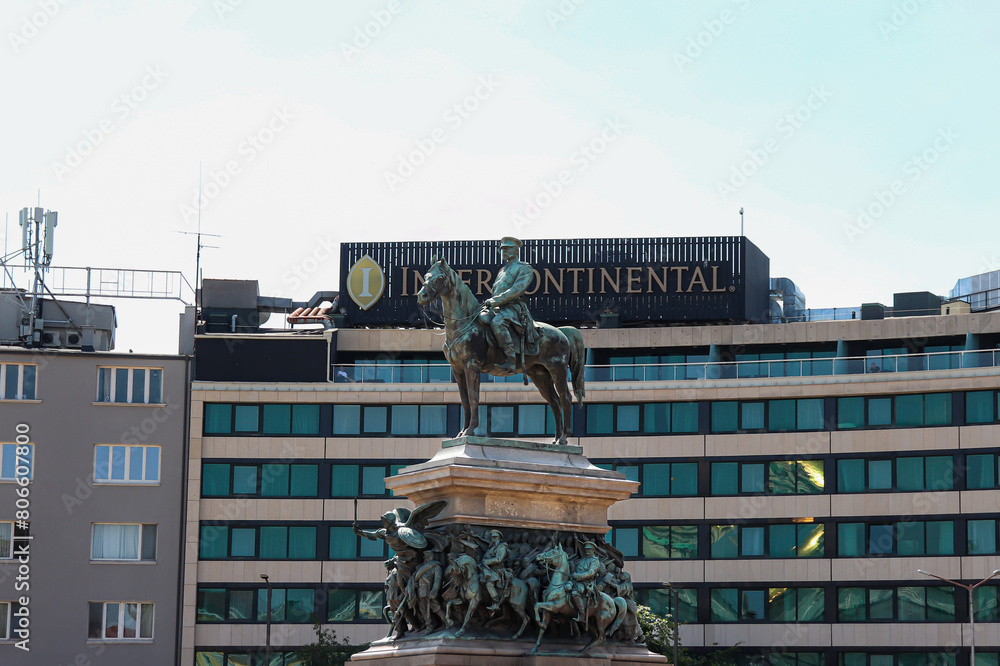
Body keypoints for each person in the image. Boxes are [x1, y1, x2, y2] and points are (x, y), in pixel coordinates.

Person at [482, 237, 539, 376]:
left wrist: (496, 300)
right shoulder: (502, 270)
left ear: (516, 250)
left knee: (497, 323)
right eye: (503, 249)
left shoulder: (524, 268)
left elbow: (517, 289)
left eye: (507, 248)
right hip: (498, 307)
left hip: (513, 307)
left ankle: (510, 361)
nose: (504, 251)